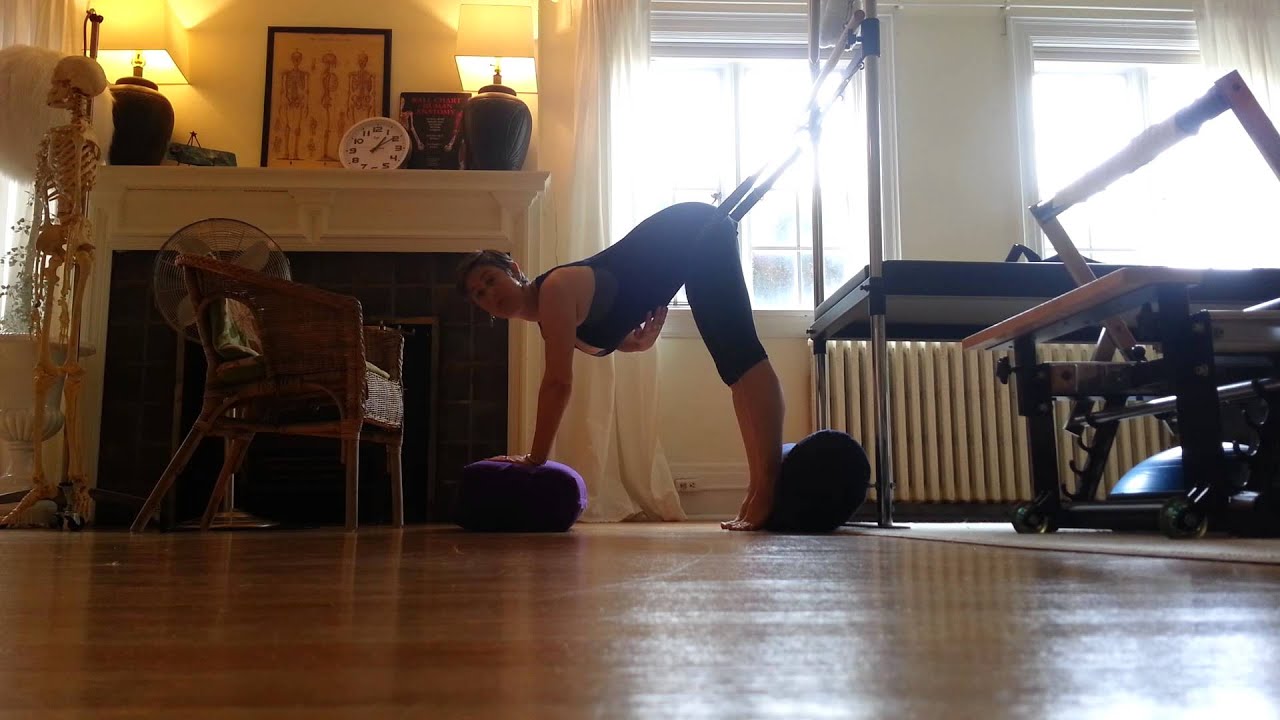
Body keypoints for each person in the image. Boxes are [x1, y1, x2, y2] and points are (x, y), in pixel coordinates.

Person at [456, 202, 785, 531]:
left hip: (697, 230)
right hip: (697, 238)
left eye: (490, 279)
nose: (489, 294)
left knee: (742, 356)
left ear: (514, 270)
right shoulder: (550, 318)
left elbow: (558, 383)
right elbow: (611, 331)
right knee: (734, 372)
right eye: (479, 294)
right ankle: (757, 490)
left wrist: (535, 458)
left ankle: (766, 489)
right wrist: (637, 343)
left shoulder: (554, 291)